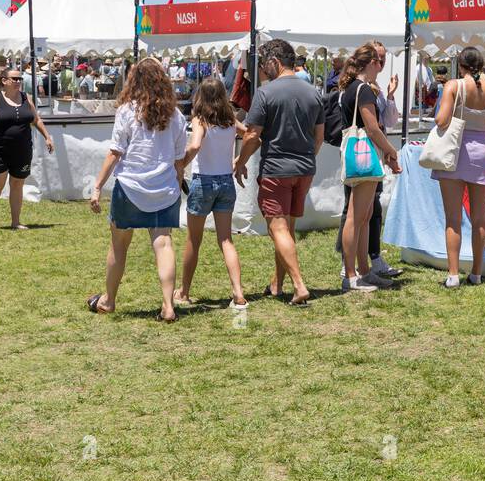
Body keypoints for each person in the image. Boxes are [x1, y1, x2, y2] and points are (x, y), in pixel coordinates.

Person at [86, 57, 187, 322]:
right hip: (164, 187)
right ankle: (168, 305)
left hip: (130, 186)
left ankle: (108, 300)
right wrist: (177, 183)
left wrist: (97, 187)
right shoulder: (176, 115)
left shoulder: (127, 111)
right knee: (163, 242)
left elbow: (114, 153)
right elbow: (179, 159)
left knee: (119, 246)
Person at [234, 38, 324, 306]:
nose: (262, 70)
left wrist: (240, 161)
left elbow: (252, 136)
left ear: (274, 62)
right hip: (304, 168)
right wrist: (306, 158)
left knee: (278, 228)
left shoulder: (265, 93)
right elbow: (318, 137)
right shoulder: (313, 91)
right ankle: (278, 283)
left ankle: (298, 285)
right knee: (287, 228)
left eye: (263, 64)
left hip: (276, 168)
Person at [432, 46, 485, 288]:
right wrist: (480, 121)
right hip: (481, 152)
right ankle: (476, 273)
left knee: (453, 218)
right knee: (479, 219)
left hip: (455, 152)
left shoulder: (453, 86)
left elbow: (441, 120)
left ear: (460, 65)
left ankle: (453, 274)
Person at [176, 77, 247, 309]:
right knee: (226, 239)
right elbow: (250, 134)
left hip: (203, 182)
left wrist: (182, 163)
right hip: (225, 182)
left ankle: (184, 291)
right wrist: (240, 159)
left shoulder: (200, 119)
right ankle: (238, 292)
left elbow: (195, 144)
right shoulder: (229, 120)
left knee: (193, 241)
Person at [338, 42, 403, 292]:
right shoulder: (363, 90)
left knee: (362, 217)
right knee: (356, 217)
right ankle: (352, 275)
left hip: (358, 154)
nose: (382, 65)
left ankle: (362, 271)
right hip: (365, 154)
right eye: (379, 61)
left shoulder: (352, 88)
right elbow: (373, 127)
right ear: (372, 63)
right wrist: (389, 150)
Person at [0, 67, 54, 229]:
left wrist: (47, 137)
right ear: (4, 81)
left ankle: (16, 221)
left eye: (20, 79)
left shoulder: (26, 97)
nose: (18, 82)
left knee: (17, 183)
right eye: (15, 79)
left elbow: (35, 119)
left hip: (22, 149)